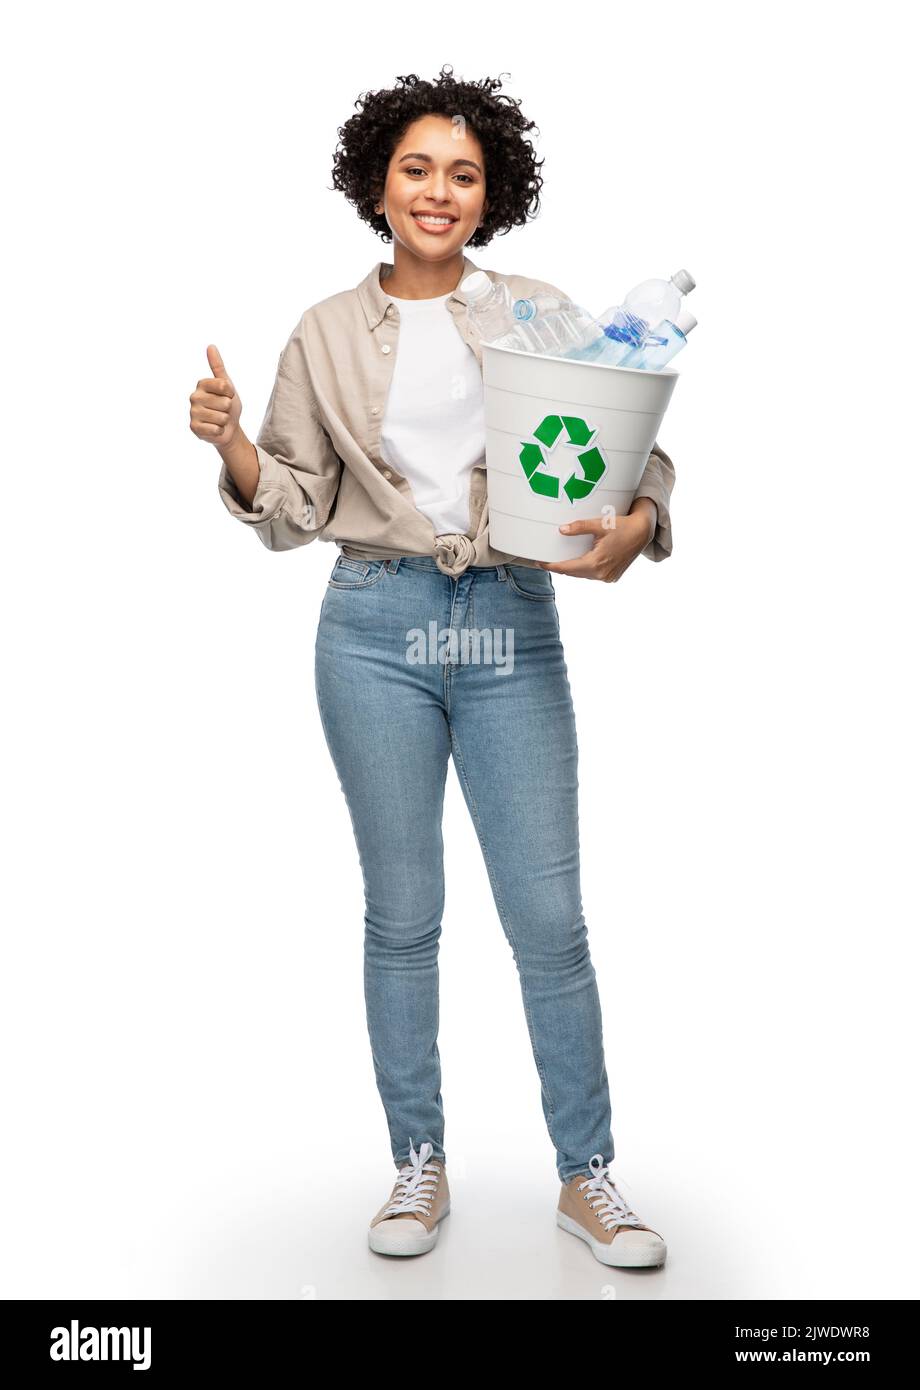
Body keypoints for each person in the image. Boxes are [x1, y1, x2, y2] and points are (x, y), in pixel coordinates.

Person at [189, 65, 673, 1269]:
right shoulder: (323, 332)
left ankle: (585, 1173)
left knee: (548, 920)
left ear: (490, 190)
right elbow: (296, 508)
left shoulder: (536, 310)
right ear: (377, 182)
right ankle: (418, 1162)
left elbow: (629, 445)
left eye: (462, 173)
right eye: (416, 168)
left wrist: (637, 523)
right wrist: (238, 445)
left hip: (508, 626)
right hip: (374, 629)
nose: (438, 191)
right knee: (402, 917)